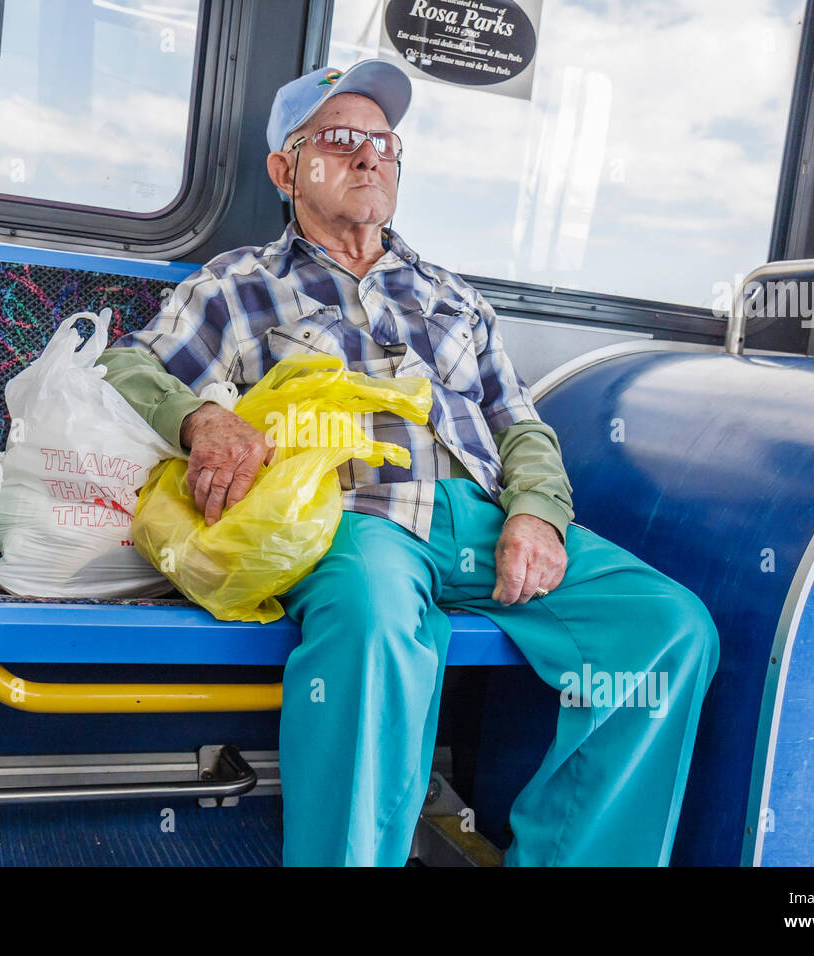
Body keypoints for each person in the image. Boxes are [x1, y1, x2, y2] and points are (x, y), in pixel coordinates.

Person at [101, 60, 719, 866]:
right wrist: (202, 419)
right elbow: (128, 366)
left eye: (385, 143)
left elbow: (521, 426)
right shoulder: (239, 285)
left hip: (486, 520)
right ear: (286, 169)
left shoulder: (454, 296)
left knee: (670, 628)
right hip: (361, 522)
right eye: (341, 139)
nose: (369, 157)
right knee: (373, 625)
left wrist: (536, 513)